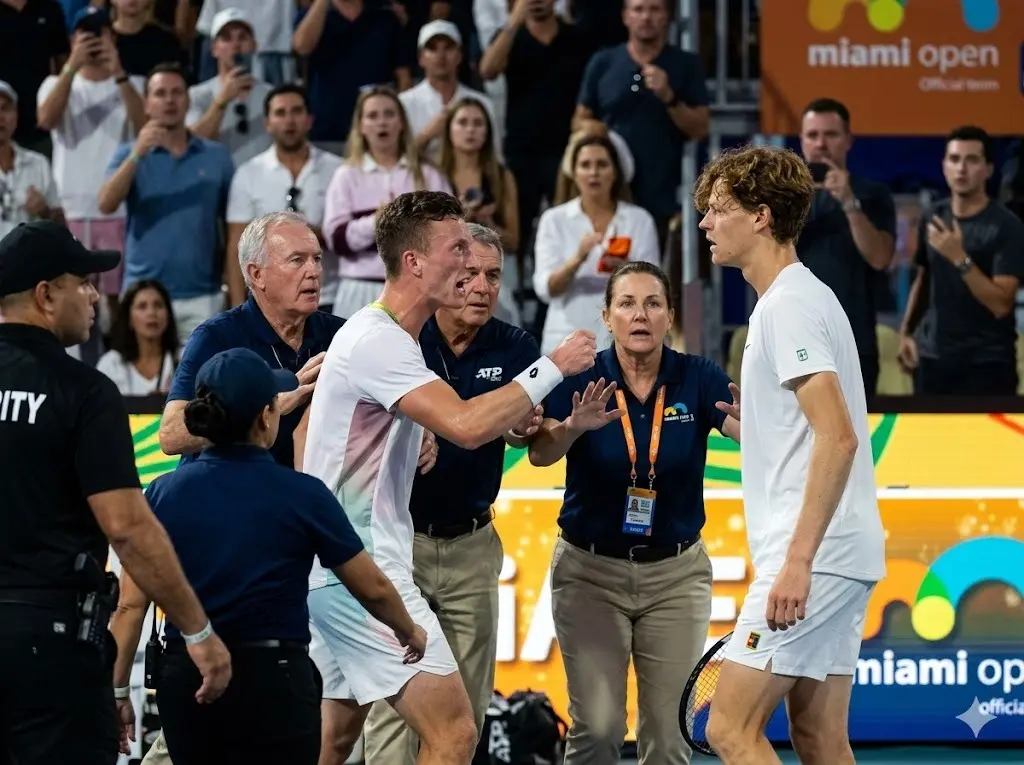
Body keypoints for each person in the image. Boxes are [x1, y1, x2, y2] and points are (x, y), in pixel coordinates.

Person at [300, 190, 597, 765]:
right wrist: (553, 366)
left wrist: (411, 434)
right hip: (364, 572)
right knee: (455, 733)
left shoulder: (382, 334)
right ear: (414, 263)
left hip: (337, 567)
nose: (468, 263)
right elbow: (465, 424)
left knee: (333, 741)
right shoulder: (378, 339)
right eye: (456, 248)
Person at [108, 348, 428, 764]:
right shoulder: (303, 494)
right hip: (274, 678)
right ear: (265, 416)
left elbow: (131, 604)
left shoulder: (164, 492)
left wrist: (117, 691)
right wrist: (408, 630)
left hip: (189, 676)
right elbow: (371, 585)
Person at [0, 221, 230, 764]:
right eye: (83, 282)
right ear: (45, 294)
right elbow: (126, 527)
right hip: (48, 642)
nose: (93, 295)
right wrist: (196, 629)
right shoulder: (82, 390)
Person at [693, 145, 886, 765]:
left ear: (762, 217)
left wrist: (798, 563)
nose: (705, 224)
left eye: (719, 209)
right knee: (818, 736)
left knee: (729, 729)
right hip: (843, 553)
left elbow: (838, 437)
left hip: (815, 558)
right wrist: (762, 431)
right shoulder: (803, 297)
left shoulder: (789, 306)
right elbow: (818, 429)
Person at [528, 260, 739, 764]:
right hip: (589, 572)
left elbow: (739, 428)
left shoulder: (699, 376)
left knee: (669, 738)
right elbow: (540, 452)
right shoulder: (581, 376)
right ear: (606, 316)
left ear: (670, 316)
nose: (639, 315)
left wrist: (761, 424)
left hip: (676, 575)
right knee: (599, 730)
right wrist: (575, 425)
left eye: (652, 303)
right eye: (626, 303)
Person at [361, 223, 543, 764]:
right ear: (443, 276)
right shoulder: (400, 340)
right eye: (469, 275)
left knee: (466, 710)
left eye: (493, 276)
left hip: (472, 544)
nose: (482, 287)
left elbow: (527, 431)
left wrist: (525, 426)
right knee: (393, 706)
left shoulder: (515, 345)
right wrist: (413, 431)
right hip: (399, 544)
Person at [158, 211, 345, 469]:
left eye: (317, 259)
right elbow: (170, 436)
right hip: (227, 494)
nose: (313, 271)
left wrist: (419, 433)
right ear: (257, 274)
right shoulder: (216, 337)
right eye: (297, 260)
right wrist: (268, 408)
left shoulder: (341, 335)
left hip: (301, 494)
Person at [898, 125, 1024, 396]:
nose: (961, 168)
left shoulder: (1007, 226)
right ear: (944, 166)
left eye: (972, 160)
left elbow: (1001, 304)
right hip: (933, 360)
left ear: (988, 170)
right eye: (955, 159)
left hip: (987, 364)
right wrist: (906, 332)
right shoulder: (934, 214)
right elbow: (925, 277)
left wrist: (959, 257)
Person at [533, 134, 660, 355]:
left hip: (625, 337)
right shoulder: (554, 220)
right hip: (567, 337)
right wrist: (578, 258)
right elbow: (546, 289)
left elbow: (656, 287)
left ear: (615, 172)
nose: (593, 172)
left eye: (602, 164)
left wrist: (627, 268)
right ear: (573, 172)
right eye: (585, 165)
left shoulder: (639, 219)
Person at [95, 279, 180, 395]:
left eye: (158, 305)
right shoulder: (110, 365)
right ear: (129, 319)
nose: (151, 313)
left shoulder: (184, 360)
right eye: (142, 306)